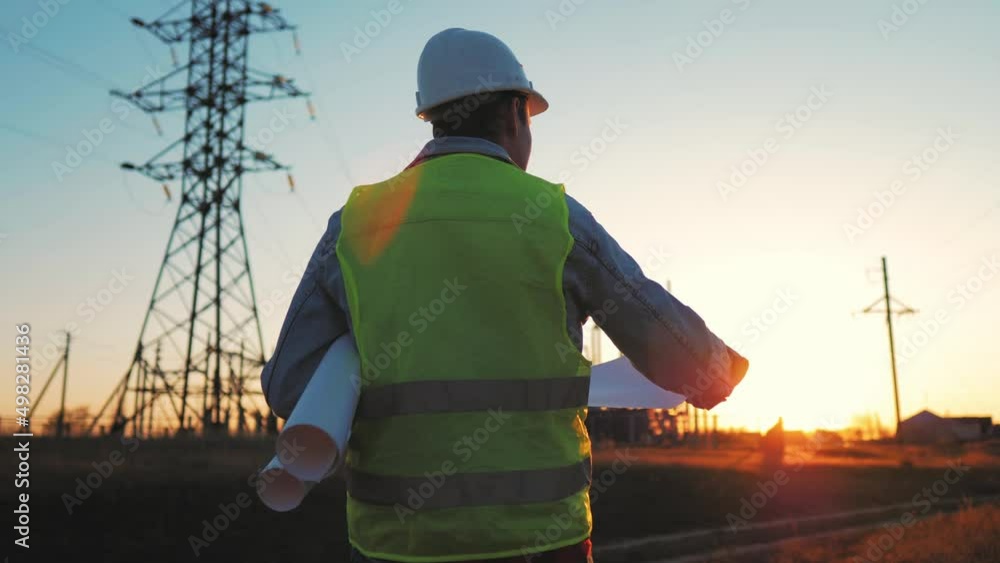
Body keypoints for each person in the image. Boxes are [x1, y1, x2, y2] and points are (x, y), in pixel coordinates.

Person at [262, 28, 749, 563]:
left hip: (396, 546)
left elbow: (288, 386)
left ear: (433, 117)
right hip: (540, 542)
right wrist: (721, 367)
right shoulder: (553, 217)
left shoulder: (354, 226)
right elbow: (679, 354)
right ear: (516, 113)